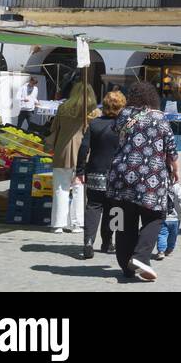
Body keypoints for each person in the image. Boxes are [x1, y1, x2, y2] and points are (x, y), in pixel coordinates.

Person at [107, 81, 179, 282]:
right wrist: (175, 171)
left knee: (123, 220)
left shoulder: (123, 114)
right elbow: (171, 149)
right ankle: (140, 257)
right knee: (155, 216)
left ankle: (126, 266)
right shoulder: (160, 118)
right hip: (150, 178)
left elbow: (115, 133)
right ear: (153, 98)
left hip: (120, 175)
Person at [45, 74, 96, 234]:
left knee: (61, 188)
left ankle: (58, 224)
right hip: (84, 154)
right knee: (79, 188)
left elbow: (54, 129)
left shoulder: (63, 107)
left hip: (62, 151)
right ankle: (77, 223)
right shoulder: (93, 112)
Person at [76, 89, 124, 259]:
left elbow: (83, 148)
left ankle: (88, 241)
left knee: (94, 206)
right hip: (118, 175)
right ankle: (109, 242)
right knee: (115, 208)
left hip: (96, 171)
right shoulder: (124, 125)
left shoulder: (94, 123)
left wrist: (80, 170)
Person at [154, 179, 181, 260]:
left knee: (162, 234)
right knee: (173, 235)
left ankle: (161, 251)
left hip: (162, 216)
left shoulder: (157, 184)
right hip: (175, 218)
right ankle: (169, 250)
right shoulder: (176, 186)